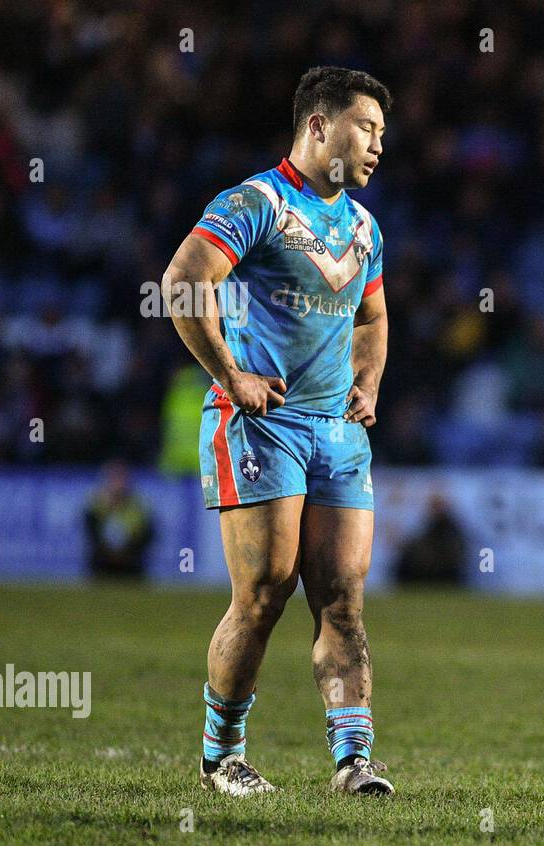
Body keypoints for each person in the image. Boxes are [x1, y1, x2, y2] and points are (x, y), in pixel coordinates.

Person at [161, 66, 394, 797]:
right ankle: (221, 756)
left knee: (342, 599)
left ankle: (353, 762)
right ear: (319, 126)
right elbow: (183, 281)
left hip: (337, 433)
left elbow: (374, 317)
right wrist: (232, 375)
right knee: (264, 593)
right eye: (367, 128)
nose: (378, 145)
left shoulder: (363, 226)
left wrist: (370, 383)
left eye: (384, 134)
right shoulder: (255, 202)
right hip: (261, 426)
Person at [83, 460, 155, 578]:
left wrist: (128, 554)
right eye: (114, 478)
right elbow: (91, 533)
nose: (118, 483)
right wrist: (108, 553)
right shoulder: (96, 505)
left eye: (121, 478)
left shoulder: (138, 506)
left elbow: (147, 535)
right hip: (102, 562)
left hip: (131, 562)